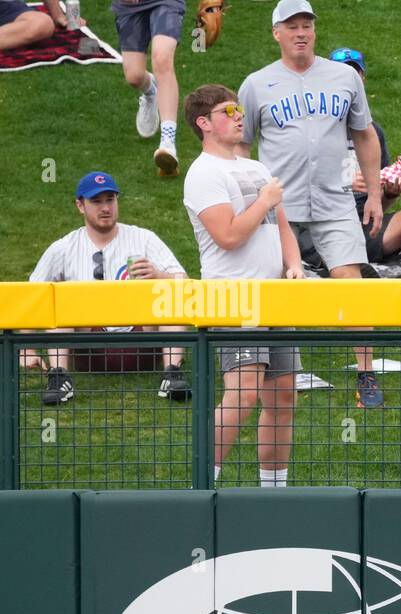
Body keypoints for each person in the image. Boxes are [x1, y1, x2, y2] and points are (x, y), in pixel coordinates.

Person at [237, 0, 386, 409]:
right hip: (277, 203)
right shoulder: (256, 84)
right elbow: (241, 145)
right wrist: (245, 200)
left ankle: (366, 373)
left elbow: (365, 134)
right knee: (273, 282)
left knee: (350, 282)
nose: (301, 32)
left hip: (333, 199)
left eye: (307, 25)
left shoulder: (344, 77)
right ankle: (268, 367)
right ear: (276, 33)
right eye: (292, 26)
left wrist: (374, 193)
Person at [182, 82, 305, 488]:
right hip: (234, 296)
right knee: (243, 394)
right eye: (228, 111)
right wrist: (264, 200)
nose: (239, 117)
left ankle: (274, 492)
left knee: (283, 396)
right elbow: (229, 236)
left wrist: (294, 265)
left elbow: (282, 228)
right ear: (204, 123)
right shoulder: (203, 173)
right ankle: (203, 485)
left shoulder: (257, 169)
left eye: (239, 110)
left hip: (274, 296)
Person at [28, 170, 191, 406]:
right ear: (80, 205)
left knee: (171, 294)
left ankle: (172, 374)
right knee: (61, 299)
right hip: (90, 347)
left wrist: (159, 275)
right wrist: (26, 350)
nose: (105, 208)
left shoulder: (143, 238)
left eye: (110, 200)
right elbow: (31, 295)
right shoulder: (64, 247)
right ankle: (59, 379)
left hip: (142, 342)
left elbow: (185, 283)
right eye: (96, 201)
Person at [328, 48, 401, 276]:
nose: (348, 81)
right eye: (340, 74)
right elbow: (293, 189)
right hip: (326, 228)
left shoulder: (372, 132)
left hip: (366, 227)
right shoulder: (314, 128)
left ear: (362, 80)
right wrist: (342, 183)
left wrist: (390, 192)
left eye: (354, 74)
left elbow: (377, 206)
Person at [111, 0, 186, 176]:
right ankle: (151, 91)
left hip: (166, 2)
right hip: (129, 6)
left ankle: (168, 142)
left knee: (162, 59)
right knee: (134, 77)